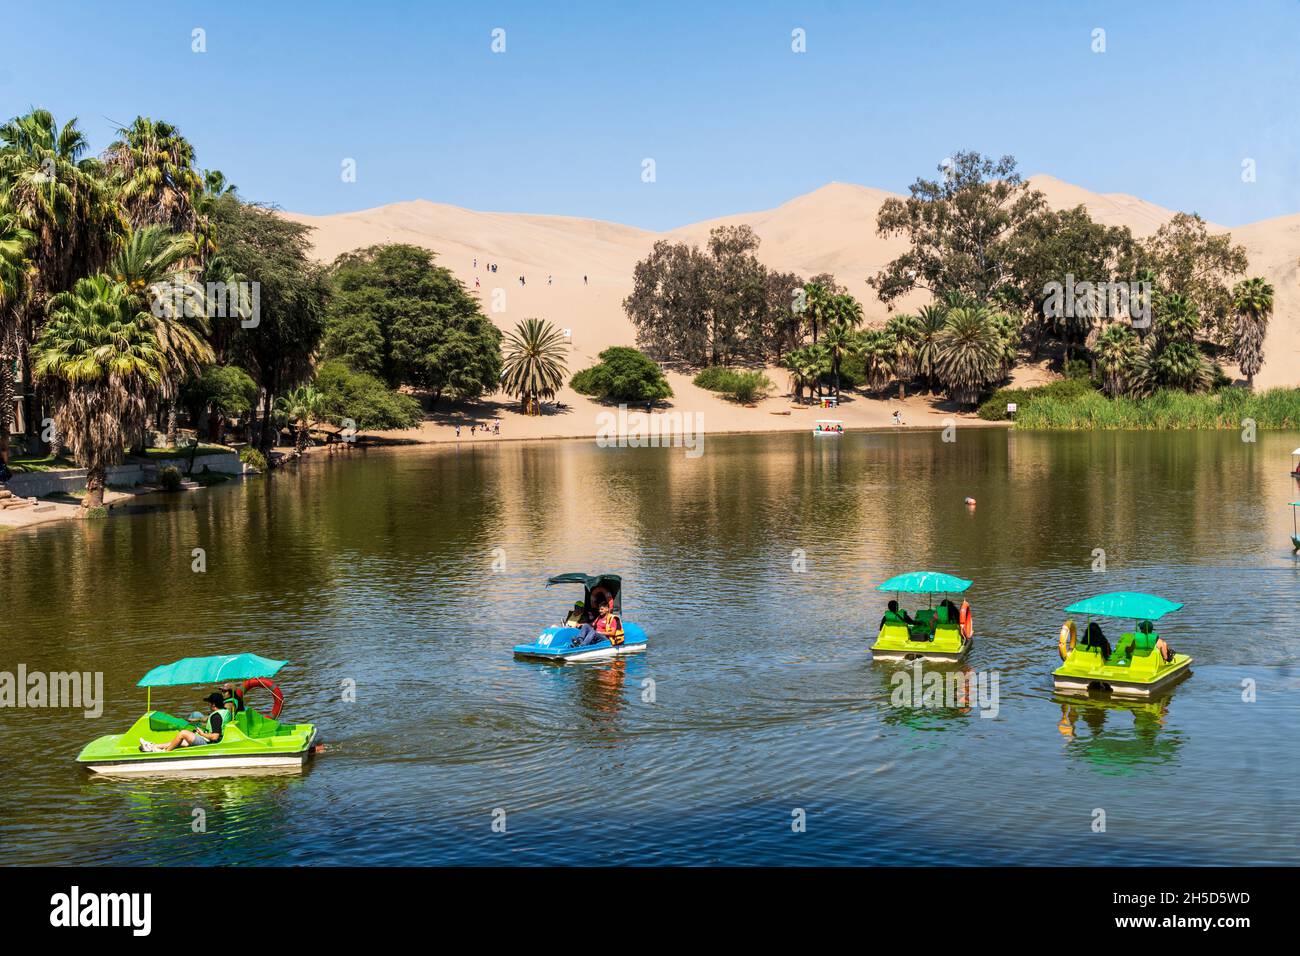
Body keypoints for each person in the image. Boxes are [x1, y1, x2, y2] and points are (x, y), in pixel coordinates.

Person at [140, 694, 227, 752]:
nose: (208, 705)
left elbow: (215, 736)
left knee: (183, 733)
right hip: (209, 740)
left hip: (210, 744)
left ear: (213, 704)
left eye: (209, 703)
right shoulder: (224, 712)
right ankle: (153, 747)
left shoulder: (216, 717)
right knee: (181, 742)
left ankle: (165, 752)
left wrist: (202, 734)